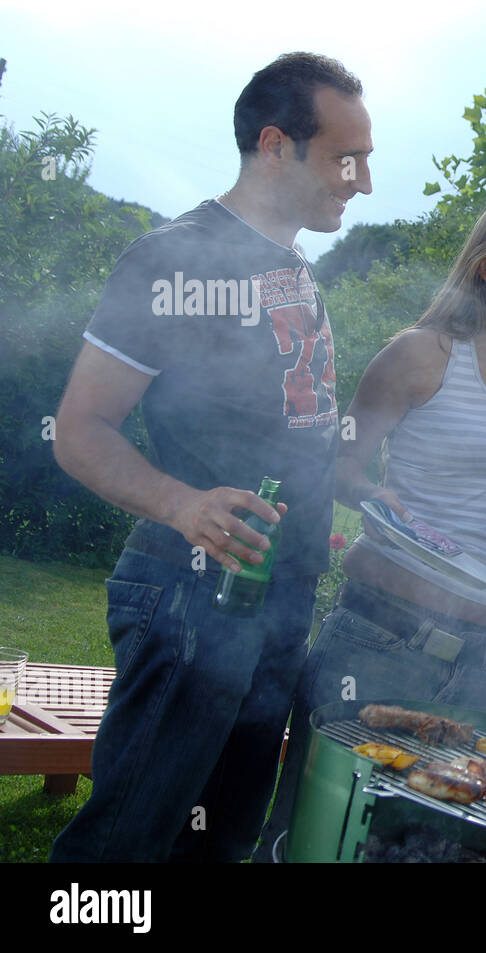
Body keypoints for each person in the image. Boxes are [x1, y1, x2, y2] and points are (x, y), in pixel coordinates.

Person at [48, 53, 372, 862]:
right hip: (193, 596)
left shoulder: (295, 265)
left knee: (216, 847)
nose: (362, 180)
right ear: (274, 145)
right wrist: (181, 505)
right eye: (345, 156)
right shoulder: (175, 257)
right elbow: (81, 428)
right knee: (121, 852)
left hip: (275, 605)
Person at [254, 188, 486, 861]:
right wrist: (376, 492)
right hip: (382, 635)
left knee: (437, 848)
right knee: (316, 837)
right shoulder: (421, 355)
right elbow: (339, 464)